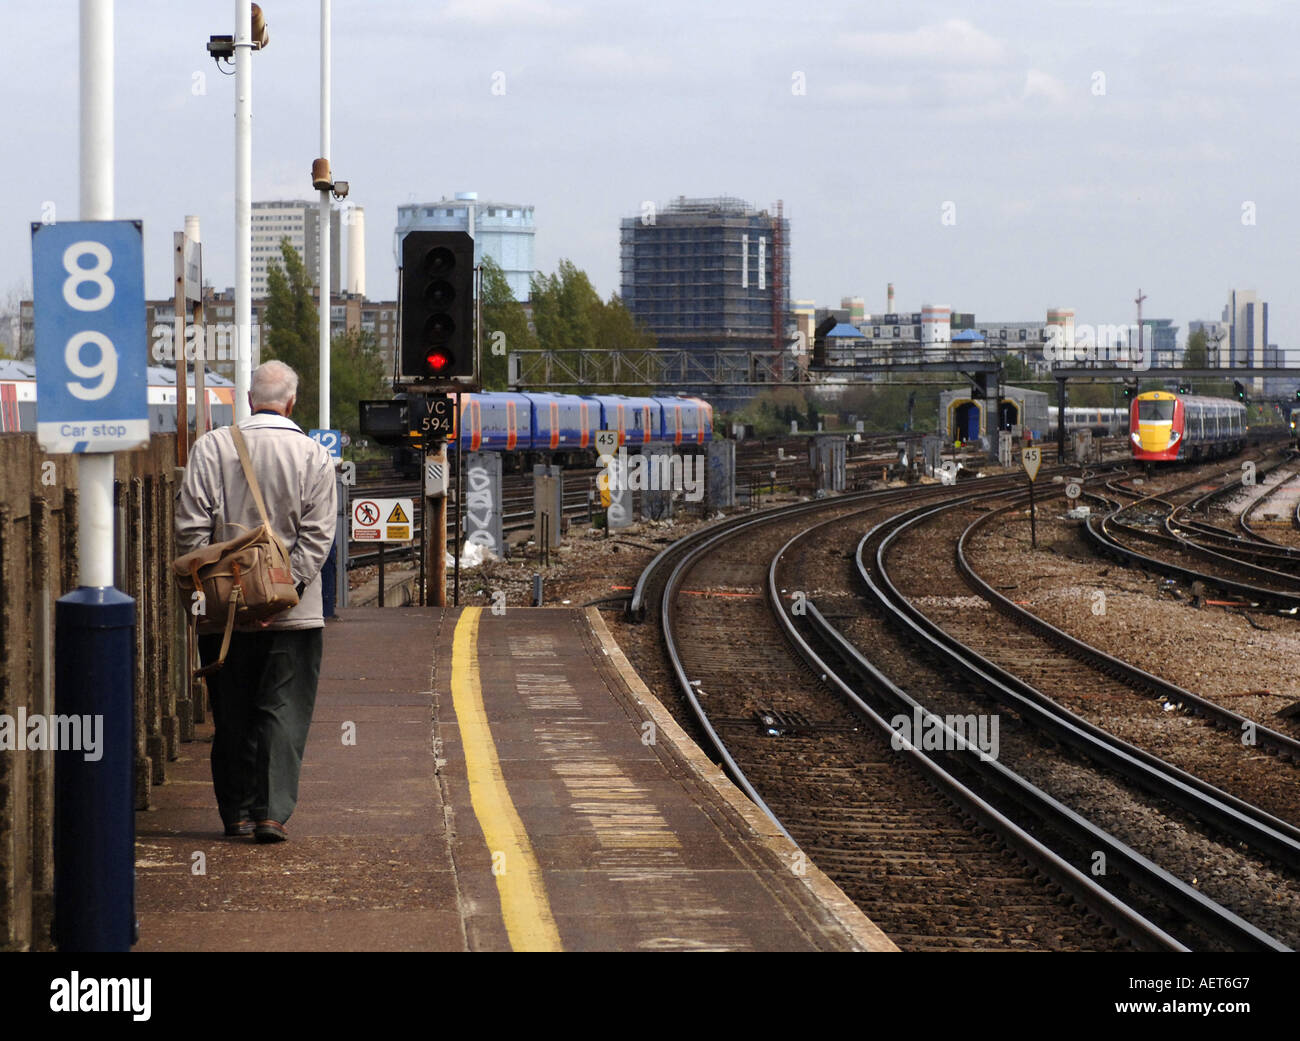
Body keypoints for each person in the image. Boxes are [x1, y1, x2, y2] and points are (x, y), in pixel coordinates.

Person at [175, 360, 337, 843]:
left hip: (222, 615)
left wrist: (219, 592)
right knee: (282, 711)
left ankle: (237, 814)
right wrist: (285, 594)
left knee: (230, 711)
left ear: (248, 401)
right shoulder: (312, 455)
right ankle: (271, 812)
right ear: (292, 402)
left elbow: (190, 530)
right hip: (295, 616)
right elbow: (317, 536)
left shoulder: (211, 448)